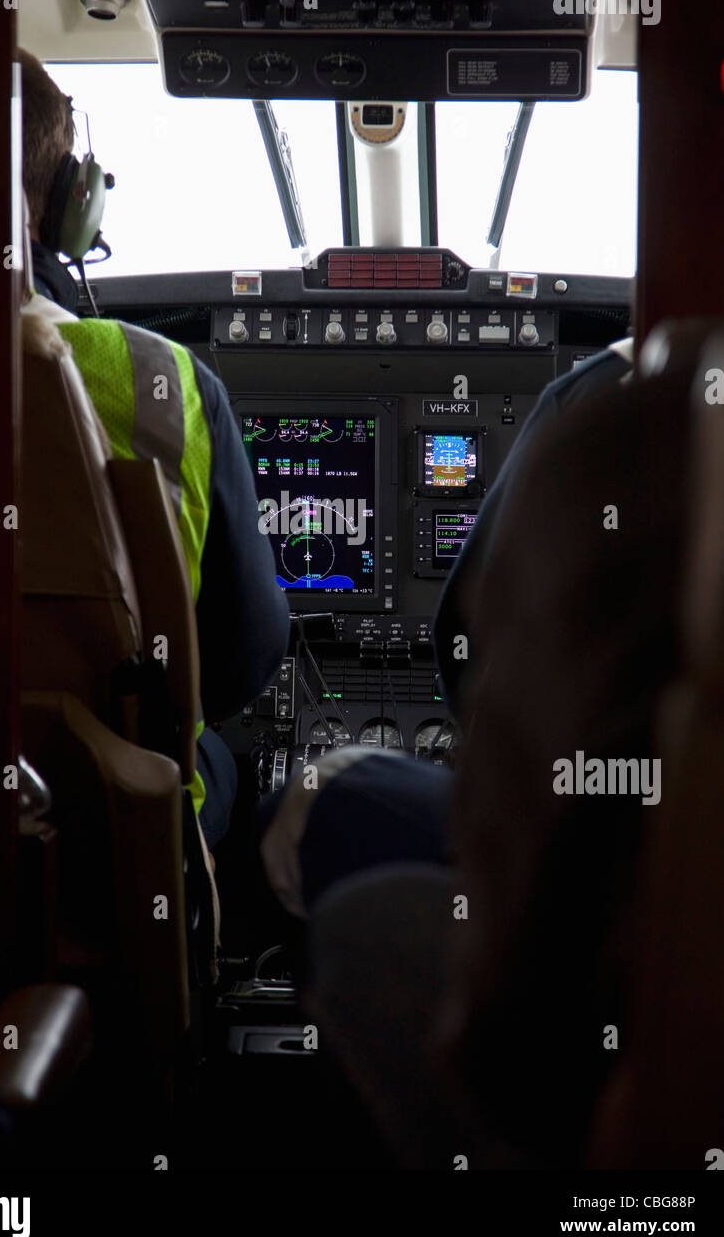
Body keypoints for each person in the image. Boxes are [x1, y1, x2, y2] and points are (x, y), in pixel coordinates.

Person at [16, 48, 290, 848]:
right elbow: (243, 661)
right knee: (223, 760)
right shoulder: (163, 378)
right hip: (110, 838)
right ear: (75, 203)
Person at [261, 336, 635, 915]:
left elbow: (464, 628)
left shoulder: (601, 386)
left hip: (581, 813)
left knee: (305, 797)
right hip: (665, 815)